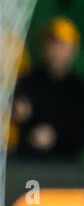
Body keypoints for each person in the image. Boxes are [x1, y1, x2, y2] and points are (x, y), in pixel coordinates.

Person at [12, 17, 84, 160]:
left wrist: (55, 136)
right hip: (26, 164)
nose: (55, 50)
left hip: (66, 167)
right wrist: (17, 112)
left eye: (61, 45)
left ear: (73, 49)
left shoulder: (78, 88)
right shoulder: (28, 80)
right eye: (51, 43)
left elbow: (77, 130)